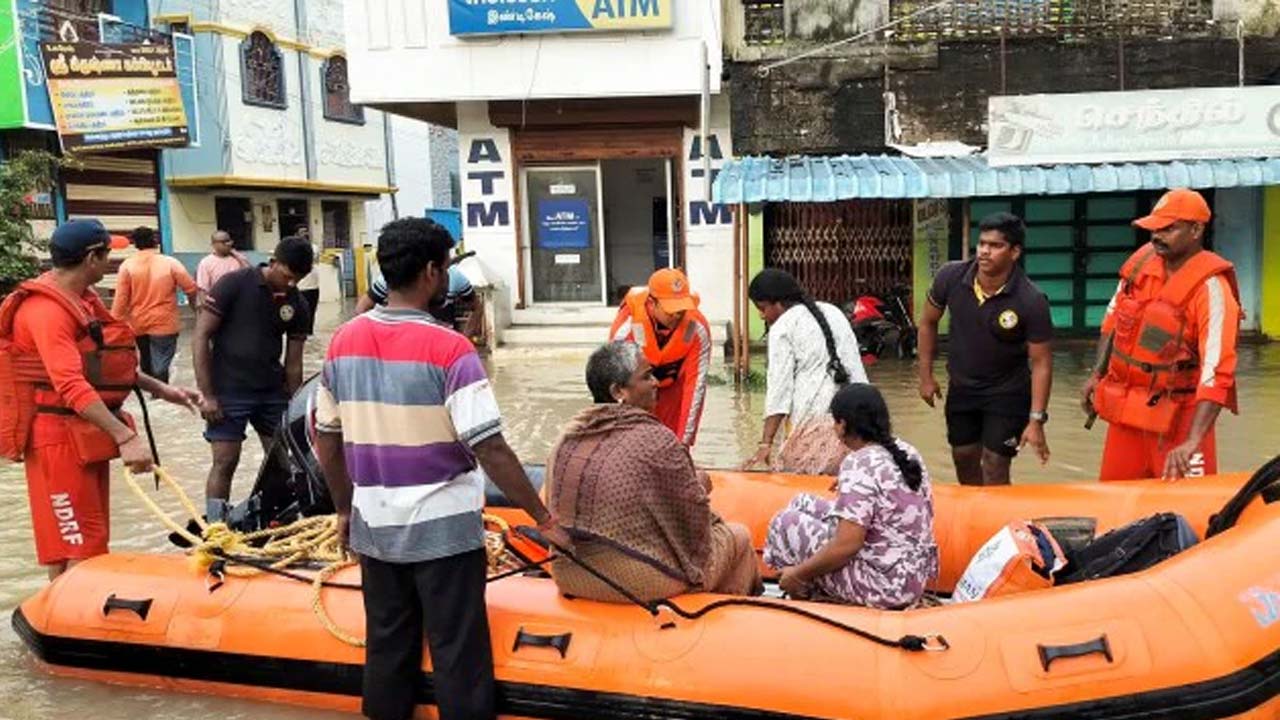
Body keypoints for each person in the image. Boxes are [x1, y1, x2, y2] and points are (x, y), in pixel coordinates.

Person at [313, 217, 569, 720]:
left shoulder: (342, 341)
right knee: (458, 652)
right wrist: (543, 518)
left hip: (375, 525)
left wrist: (344, 510)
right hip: (445, 533)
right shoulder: (451, 349)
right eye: (447, 265)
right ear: (433, 271)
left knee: (386, 647)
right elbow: (490, 448)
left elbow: (327, 439)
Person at [0, 220, 201, 580]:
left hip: (83, 430)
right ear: (92, 257)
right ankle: (67, 625)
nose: (112, 262)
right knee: (78, 544)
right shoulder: (46, 311)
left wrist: (162, 389)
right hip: (56, 439)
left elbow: (102, 364)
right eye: (109, 254)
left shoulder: (83, 300)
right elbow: (71, 385)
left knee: (86, 541)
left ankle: (67, 619)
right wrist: (127, 437)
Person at [545, 340, 761, 603]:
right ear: (618, 391)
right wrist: (701, 485)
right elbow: (691, 517)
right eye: (646, 377)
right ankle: (733, 622)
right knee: (738, 536)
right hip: (630, 581)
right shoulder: (655, 440)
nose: (656, 383)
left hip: (567, 572)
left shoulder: (567, 436)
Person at [1082, 189, 1241, 481]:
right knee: (1115, 506)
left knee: (1186, 515)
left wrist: (1193, 441)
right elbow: (1113, 323)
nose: (1157, 236)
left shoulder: (1212, 290)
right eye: (1154, 228)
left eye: (1168, 228)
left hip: (1181, 418)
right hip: (1128, 411)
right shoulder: (1139, 267)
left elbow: (1217, 370)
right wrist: (1097, 375)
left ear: (1196, 230)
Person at [763, 383, 938, 608]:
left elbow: (848, 545)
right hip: (910, 574)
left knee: (783, 523)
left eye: (835, 422)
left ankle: (804, 593)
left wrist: (798, 573)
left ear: (843, 425)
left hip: (886, 586)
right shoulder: (907, 451)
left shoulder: (858, 463)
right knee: (801, 502)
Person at [917, 212, 1053, 486]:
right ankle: (972, 523)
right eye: (982, 244)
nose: (984, 252)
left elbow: (1041, 363)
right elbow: (927, 323)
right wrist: (926, 377)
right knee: (963, 457)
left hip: (1007, 394)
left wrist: (1036, 420)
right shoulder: (950, 277)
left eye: (995, 246)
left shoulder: (1031, 300)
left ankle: (1000, 525)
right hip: (962, 389)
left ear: (1014, 252)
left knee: (995, 463)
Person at [193, 237, 313, 522]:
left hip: (272, 393)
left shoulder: (298, 303)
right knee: (225, 461)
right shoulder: (234, 284)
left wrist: (296, 408)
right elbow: (200, 336)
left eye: (298, 279)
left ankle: (278, 522)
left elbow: (294, 363)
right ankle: (215, 527)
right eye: (287, 276)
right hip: (228, 391)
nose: (292, 284)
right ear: (273, 263)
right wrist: (207, 395)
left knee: (287, 463)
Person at [741, 269, 868, 475]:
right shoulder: (833, 312)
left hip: (812, 427)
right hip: (859, 422)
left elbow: (779, 391)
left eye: (762, 308)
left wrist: (766, 444)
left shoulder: (782, 327)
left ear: (778, 303)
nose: (761, 315)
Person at [608, 268, 712, 446]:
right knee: (631, 443)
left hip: (673, 393)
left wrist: (684, 443)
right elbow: (612, 385)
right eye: (670, 310)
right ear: (651, 303)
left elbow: (695, 388)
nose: (677, 316)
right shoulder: (626, 328)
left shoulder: (696, 329)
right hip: (637, 393)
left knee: (671, 444)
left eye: (681, 309)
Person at [110, 226, 198, 383]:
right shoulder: (170, 263)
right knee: (162, 358)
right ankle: (161, 387)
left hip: (138, 322)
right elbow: (191, 288)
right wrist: (196, 310)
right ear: (155, 241)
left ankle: (153, 388)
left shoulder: (127, 266)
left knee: (146, 357)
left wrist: (113, 324)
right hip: (164, 322)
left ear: (135, 244)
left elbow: (121, 299)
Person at [357, 255, 484, 339]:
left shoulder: (456, 277)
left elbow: (477, 308)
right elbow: (362, 308)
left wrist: (464, 339)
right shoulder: (390, 280)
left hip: (442, 343)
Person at [195, 230, 250, 309]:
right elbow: (202, 290)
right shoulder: (206, 263)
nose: (228, 244)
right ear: (214, 245)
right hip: (217, 306)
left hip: (238, 305)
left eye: (229, 241)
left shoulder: (237, 259)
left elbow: (250, 274)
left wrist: (238, 255)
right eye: (224, 242)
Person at [293, 227, 322, 335]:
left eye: (306, 232)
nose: (305, 234)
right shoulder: (295, 249)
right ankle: (300, 333)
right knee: (300, 312)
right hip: (300, 286)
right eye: (302, 232)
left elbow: (317, 261)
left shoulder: (314, 248)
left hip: (314, 285)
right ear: (297, 234)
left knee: (312, 311)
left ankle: (310, 333)